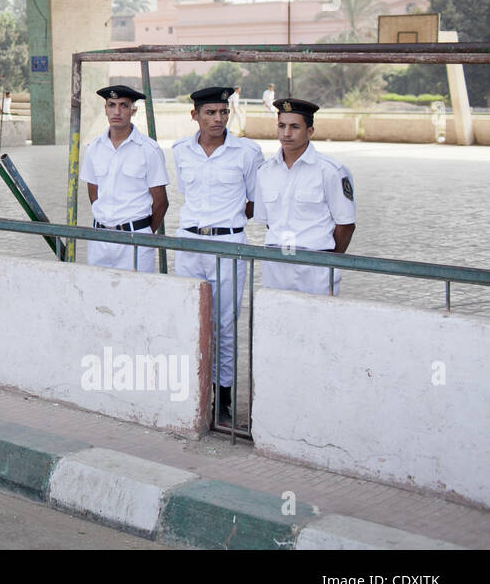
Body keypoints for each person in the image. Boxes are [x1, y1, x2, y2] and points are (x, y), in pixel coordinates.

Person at [171, 87, 263, 425]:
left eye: (223, 113)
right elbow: (186, 192)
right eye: (210, 113)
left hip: (228, 247)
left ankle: (222, 402)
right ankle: (191, 395)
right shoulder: (181, 150)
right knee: (190, 321)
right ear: (195, 115)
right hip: (190, 246)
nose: (218, 119)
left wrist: (227, 224)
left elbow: (254, 203)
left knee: (224, 326)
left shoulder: (247, 152)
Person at [253, 98, 356, 295]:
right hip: (276, 263)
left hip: (315, 266)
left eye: (294, 127)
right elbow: (269, 222)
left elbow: (346, 224)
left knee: (317, 323)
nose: (286, 133)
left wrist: (327, 261)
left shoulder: (331, 171)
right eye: (281, 126)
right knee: (276, 322)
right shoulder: (265, 172)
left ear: (310, 131)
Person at [78, 86, 168, 272]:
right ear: (105, 110)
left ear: (133, 111)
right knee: (98, 295)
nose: (117, 111)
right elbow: (93, 194)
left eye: (124, 105)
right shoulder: (93, 148)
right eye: (112, 105)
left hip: (135, 238)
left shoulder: (149, 149)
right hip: (100, 237)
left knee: (136, 297)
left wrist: (142, 231)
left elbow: (161, 202)